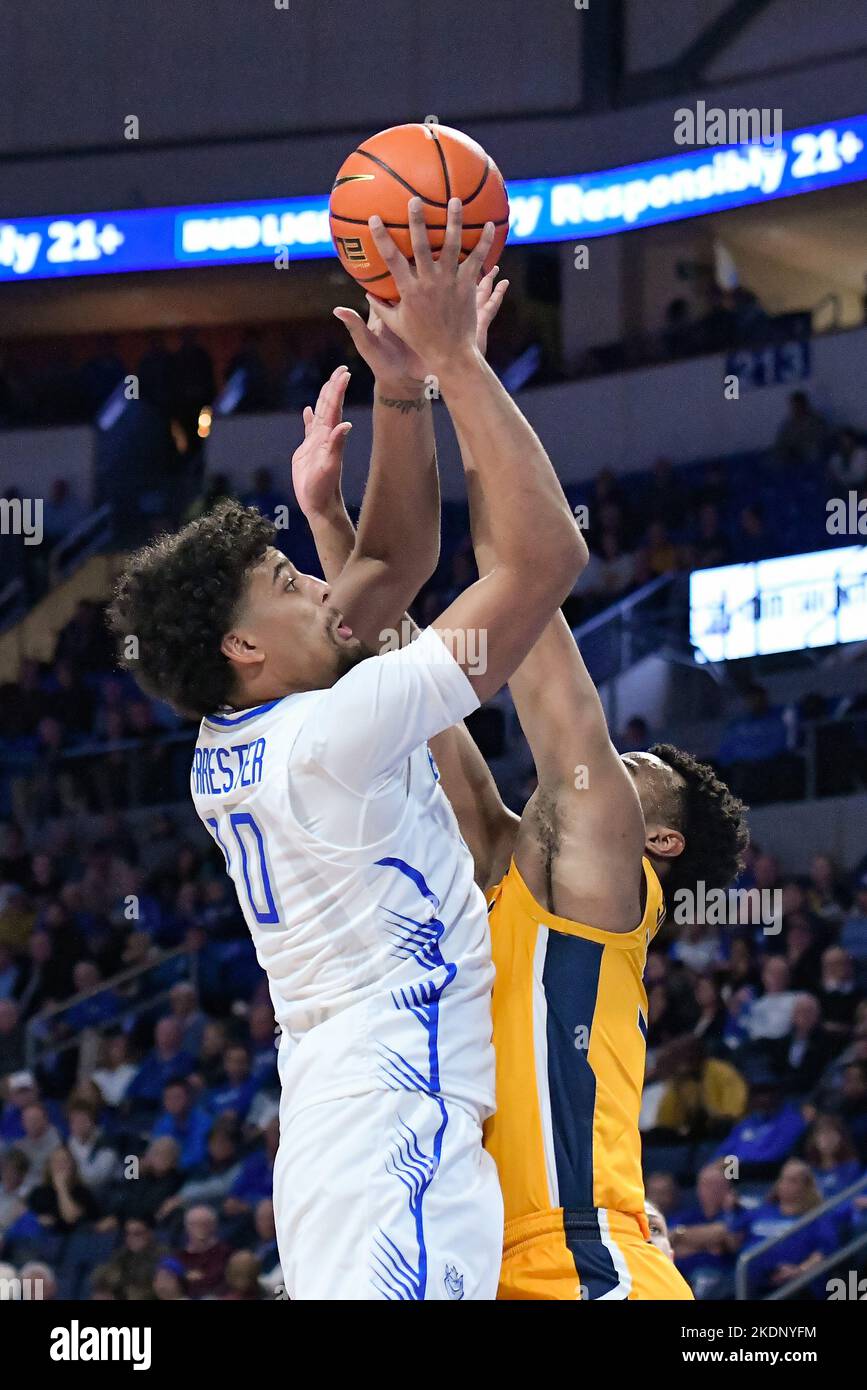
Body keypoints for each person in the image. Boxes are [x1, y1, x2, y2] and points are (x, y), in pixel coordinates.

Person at [108, 199, 584, 1301]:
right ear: (241, 644)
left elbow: (393, 565)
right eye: (288, 586)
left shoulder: (237, 728)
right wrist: (459, 360)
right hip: (386, 1124)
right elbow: (546, 558)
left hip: (348, 1117)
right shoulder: (328, 733)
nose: (320, 588)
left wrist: (400, 387)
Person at [302, 295, 748, 1301]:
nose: (613, 759)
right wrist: (338, 528)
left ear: (661, 840)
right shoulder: (511, 872)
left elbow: (526, 599)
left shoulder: (603, 887)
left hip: (587, 1263)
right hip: (473, 1267)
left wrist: (457, 372)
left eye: (642, 768)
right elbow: (408, 694)